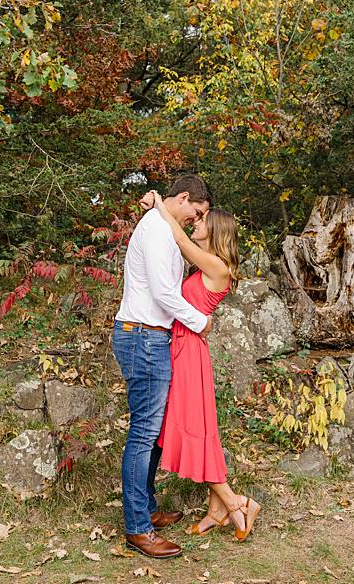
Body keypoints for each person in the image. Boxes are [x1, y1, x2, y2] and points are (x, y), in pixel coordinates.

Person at [147, 197, 262, 542]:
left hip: (189, 352)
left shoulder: (218, 267)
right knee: (199, 429)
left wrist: (158, 205)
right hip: (183, 347)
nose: (195, 221)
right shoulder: (208, 266)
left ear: (216, 230)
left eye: (202, 218)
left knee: (191, 427)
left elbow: (179, 241)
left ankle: (236, 502)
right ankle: (217, 508)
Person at [112, 174, 211, 559]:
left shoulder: (162, 223)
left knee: (152, 433)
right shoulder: (155, 230)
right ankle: (138, 529)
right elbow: (164, 293)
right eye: (196, 212)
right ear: (184, 198)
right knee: (143, 434)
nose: (195, 219)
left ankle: (148, 511)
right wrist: (200, 322)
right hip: (142, 337)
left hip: (152, 338)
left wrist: (155, 200)